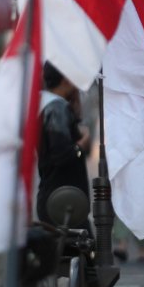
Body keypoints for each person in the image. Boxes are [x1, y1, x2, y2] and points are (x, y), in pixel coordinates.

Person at [36, 62, 91, 225]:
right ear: (66, 79)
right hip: (63, 204)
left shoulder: (48, 104)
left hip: (58, 200)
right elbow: (61, 154)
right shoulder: (56, 108)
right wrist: (81, 145)